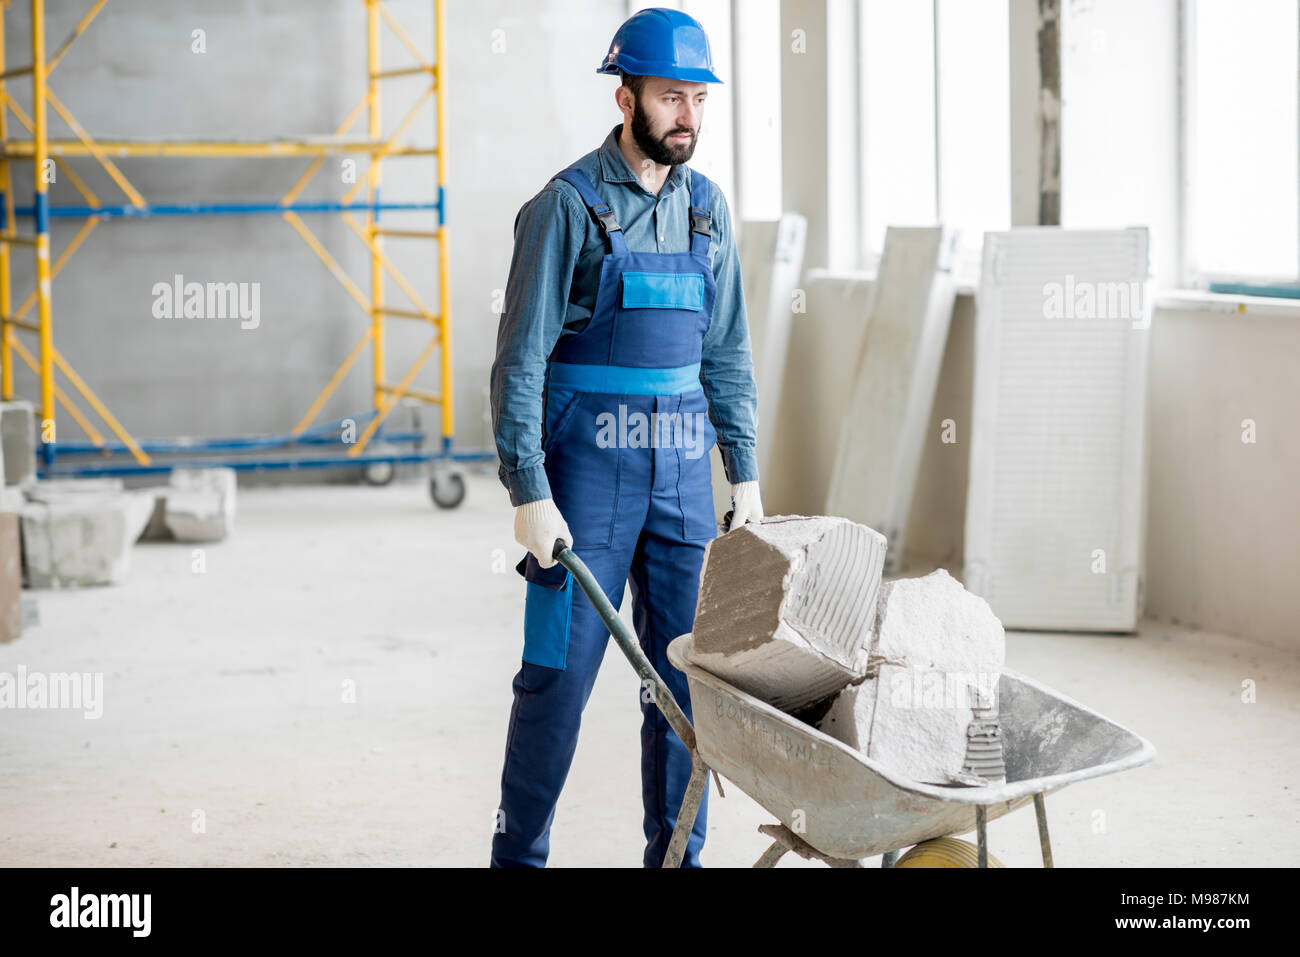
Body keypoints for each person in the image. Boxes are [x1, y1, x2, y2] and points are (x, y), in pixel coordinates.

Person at [488, 7, 763, 868]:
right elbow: (519, 362)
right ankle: (518, 858)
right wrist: (528, 488)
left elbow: (727, 354)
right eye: (671, 96)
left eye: (698, 98)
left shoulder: (708, 214)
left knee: (687, 687)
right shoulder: (566, 208)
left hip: (683, 481)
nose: (688, 113)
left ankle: (677, 860)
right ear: (627, 97)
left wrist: (743, 474)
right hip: (584, 482)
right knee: (555, 683)